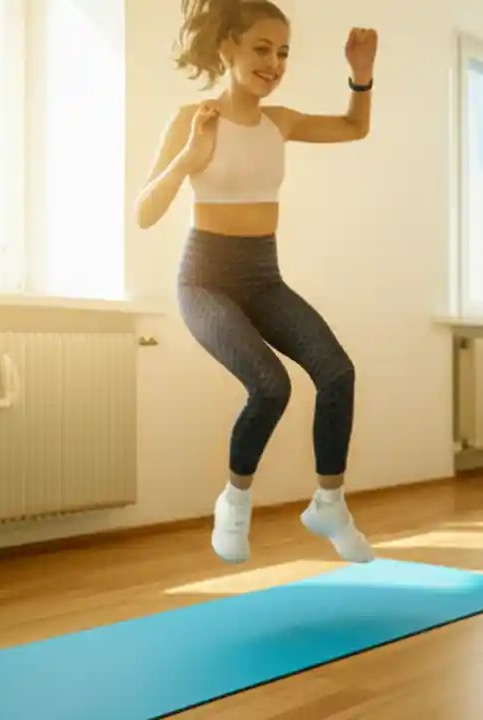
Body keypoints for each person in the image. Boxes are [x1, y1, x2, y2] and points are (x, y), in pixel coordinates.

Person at [134, 0, 378, 565]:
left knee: (337, 372)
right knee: (270, 386)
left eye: (284, 52)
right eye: (262, 49)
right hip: (205, 279)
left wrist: (360, 76)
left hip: (262, 275)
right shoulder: (193, 120)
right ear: (228, 49)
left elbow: (353, 127)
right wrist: (191, 156)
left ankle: (329, 504)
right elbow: (145, 212)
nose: (275, 63)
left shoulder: (281, 121)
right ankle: (235, 503)